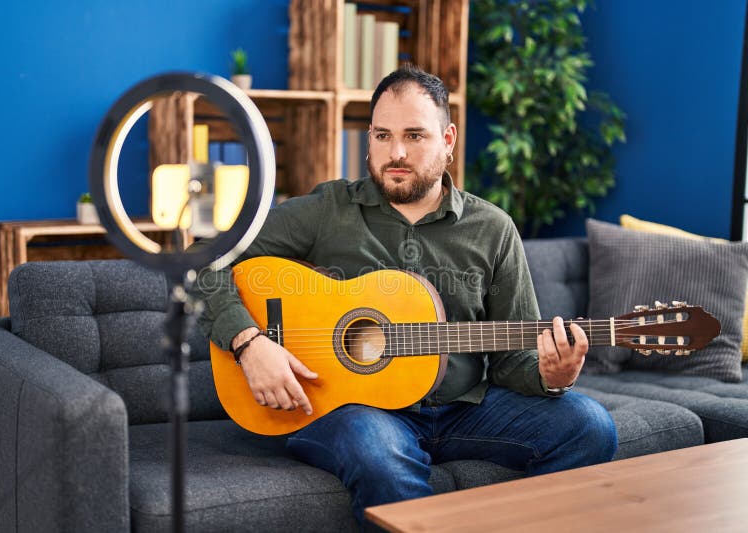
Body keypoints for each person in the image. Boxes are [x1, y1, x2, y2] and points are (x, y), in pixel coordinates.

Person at [192, 64, 617, 526]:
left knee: (590, 428)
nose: (395, 152)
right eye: (381, 135)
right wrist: (250, 344)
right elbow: (205, 258)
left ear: (448, 141)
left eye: (415, 136)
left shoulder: (493, 229)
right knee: (378, 454)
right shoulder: (327, 209)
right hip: (350, 410)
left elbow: (515, 361)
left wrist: (553, 376)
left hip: (464, 411)